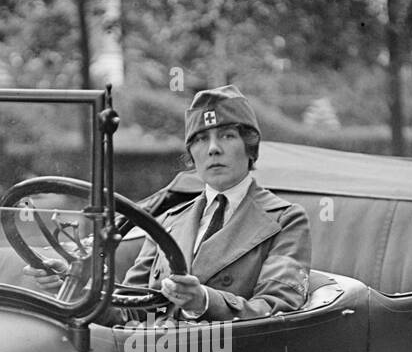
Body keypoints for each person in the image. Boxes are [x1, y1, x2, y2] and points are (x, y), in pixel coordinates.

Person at [120, 85, 311, 321]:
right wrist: (78, 291)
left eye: (227, 136)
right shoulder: (169, 220)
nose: (213, 149)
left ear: (249, 148)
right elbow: (129, 308)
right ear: (192, 154)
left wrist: (204, 301)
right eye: (200, 139)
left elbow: (277, 308)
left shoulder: (286, 220)